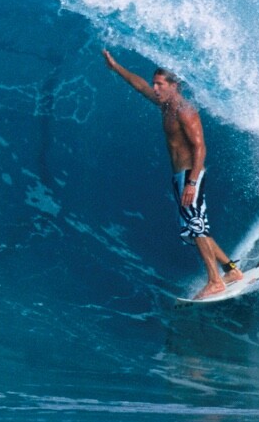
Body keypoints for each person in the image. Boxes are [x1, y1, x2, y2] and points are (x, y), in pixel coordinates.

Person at [103, 48, 243, 298]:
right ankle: (230, 270)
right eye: (155, 84)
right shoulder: (165, 106)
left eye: (159, 84)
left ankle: (215, 281)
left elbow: (200, 147)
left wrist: (191, 183)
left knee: (197, 227)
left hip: (191, 175)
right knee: (195, 227)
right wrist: (116, 67)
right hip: (181, 176)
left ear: (173, 85)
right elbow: (139, 86)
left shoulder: (184, 110)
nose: (154, 88)